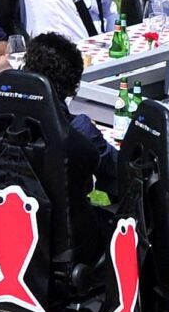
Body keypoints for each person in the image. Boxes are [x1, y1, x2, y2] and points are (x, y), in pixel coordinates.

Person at [22, 31, 115, 258]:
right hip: (66, 236)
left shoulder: (0, 116)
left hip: (12, 228)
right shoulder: (79, 132)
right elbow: (118, 174)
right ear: (73, 84)